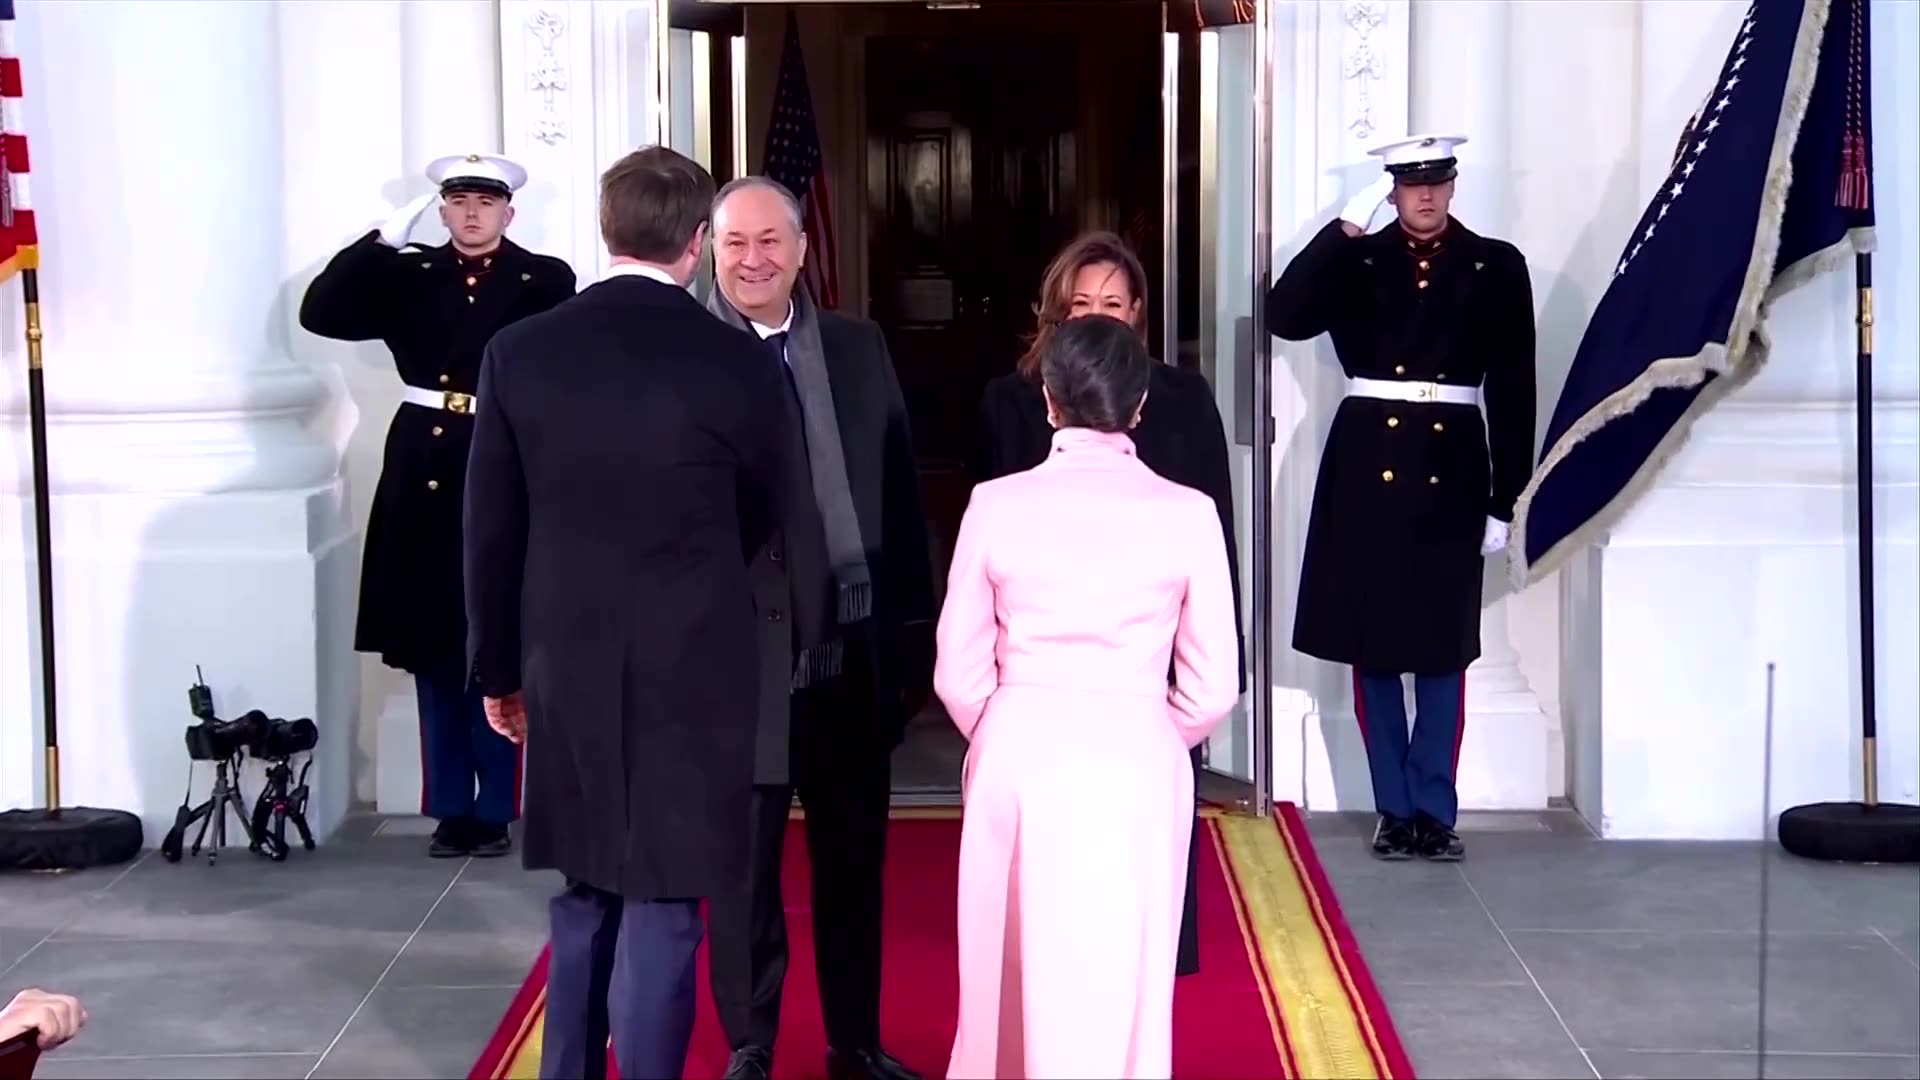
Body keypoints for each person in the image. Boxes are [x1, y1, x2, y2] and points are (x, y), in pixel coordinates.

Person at [463, 146, 799, 1080]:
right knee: (662, 898)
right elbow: (766, 506)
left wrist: (498, 671)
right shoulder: (736, 359)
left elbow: (490, 530)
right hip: (695, 665)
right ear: (697, 243)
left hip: (563, 662)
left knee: (585, 890)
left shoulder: (519, 350)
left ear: (606, 231)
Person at [936, 314, 1240, 1080]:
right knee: (1125, 968)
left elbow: (956, 670)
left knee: (1006, 961)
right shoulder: (1188, 513)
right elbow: (1212, 687)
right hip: (1136, 756)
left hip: (1017, 751)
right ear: (1140, 406)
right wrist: (1141, 724)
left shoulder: (994, 504)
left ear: (1048, 402)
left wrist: (1008, 725)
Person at [701, 176, 935, 1080]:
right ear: (711, 252)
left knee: (852, 866)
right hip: (735, 661)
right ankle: (751, 1047)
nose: (753, 260)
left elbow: (896, 489)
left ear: (804, 250)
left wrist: (910, 638)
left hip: (849, 648)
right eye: (734, 245)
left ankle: (856, 1042)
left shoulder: (856, 345)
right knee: (746, 872)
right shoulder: (689, 354)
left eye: (771, 241)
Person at [970, 230, 1243, 978]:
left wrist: (1177, 715)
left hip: (1146, 688)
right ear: (1055, 315)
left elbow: (1213, 543)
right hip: (1038, 695)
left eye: (1112, 304)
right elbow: (981, 574)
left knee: (1140, 911)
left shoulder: (1183, 400)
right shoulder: (1010, 402)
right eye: (1080, 303)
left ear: (1138, 314)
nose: (1095, 315)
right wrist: (1000, 714)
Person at [1264, 132, 1536, 862]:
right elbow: (1283, 315)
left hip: (1454, 463)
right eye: (1409, 183)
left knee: (1445, 650)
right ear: (1390, 189)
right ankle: (1394, 809)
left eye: (1436, 181)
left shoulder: (1496, 266)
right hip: (1367, 465)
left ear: (1453, 185)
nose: (1424, 195)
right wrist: (1344, 229)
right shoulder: (1358, 260)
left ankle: (1435, 811)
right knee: (1375, 646)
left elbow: (1514, 386)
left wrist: (1504, 497)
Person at [299, 152, 576, 858]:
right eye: (458, 202)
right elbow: (322, 312)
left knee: (499, 640)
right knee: (432, 642)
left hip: (506, 451)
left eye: (486, 202)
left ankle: (498, 804)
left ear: (509, 212)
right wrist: (381, 240)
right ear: (442, 210)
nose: (472, 214)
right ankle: (451, 804)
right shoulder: (409, 276)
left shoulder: (543, 279)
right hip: (422, 461)